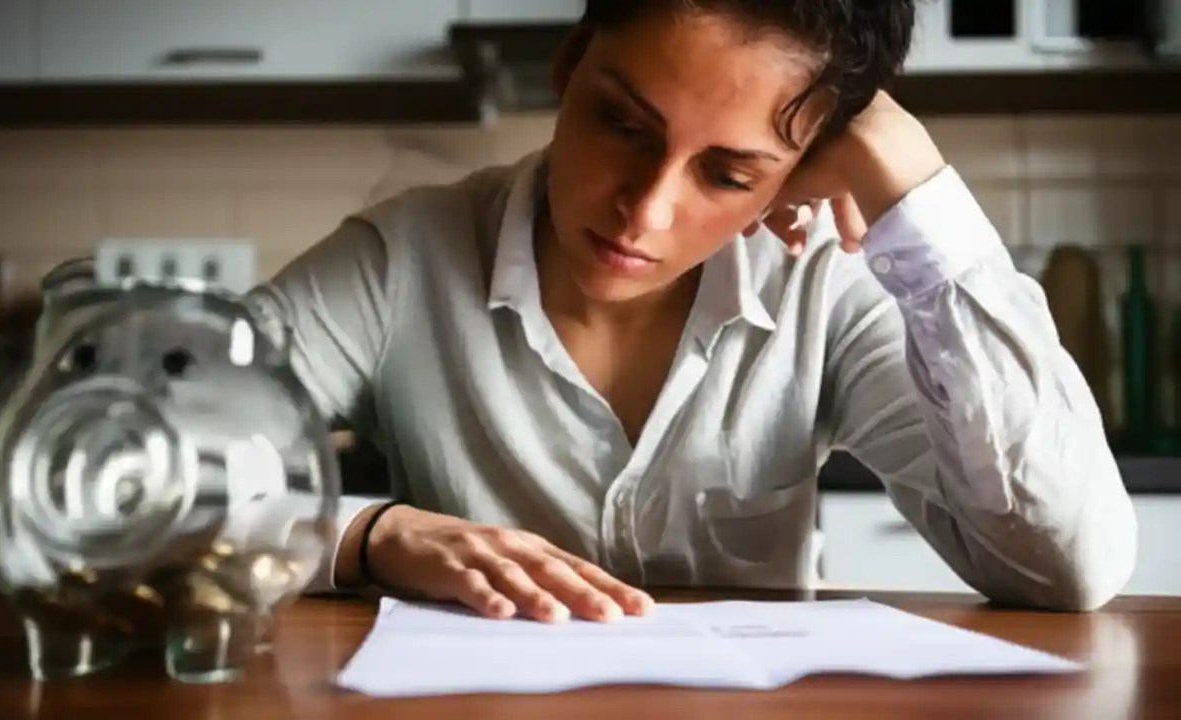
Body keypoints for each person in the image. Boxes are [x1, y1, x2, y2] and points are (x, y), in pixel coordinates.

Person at [245, 0, 1137, 623]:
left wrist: (911, 178)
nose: (645, 211)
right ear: (570, 66)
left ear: (800, 168)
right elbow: (124, 462)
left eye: (730, 174)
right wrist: (363, 537)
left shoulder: (825, 286)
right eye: (625, 126)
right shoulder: (401, 259)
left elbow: (1068, 569)